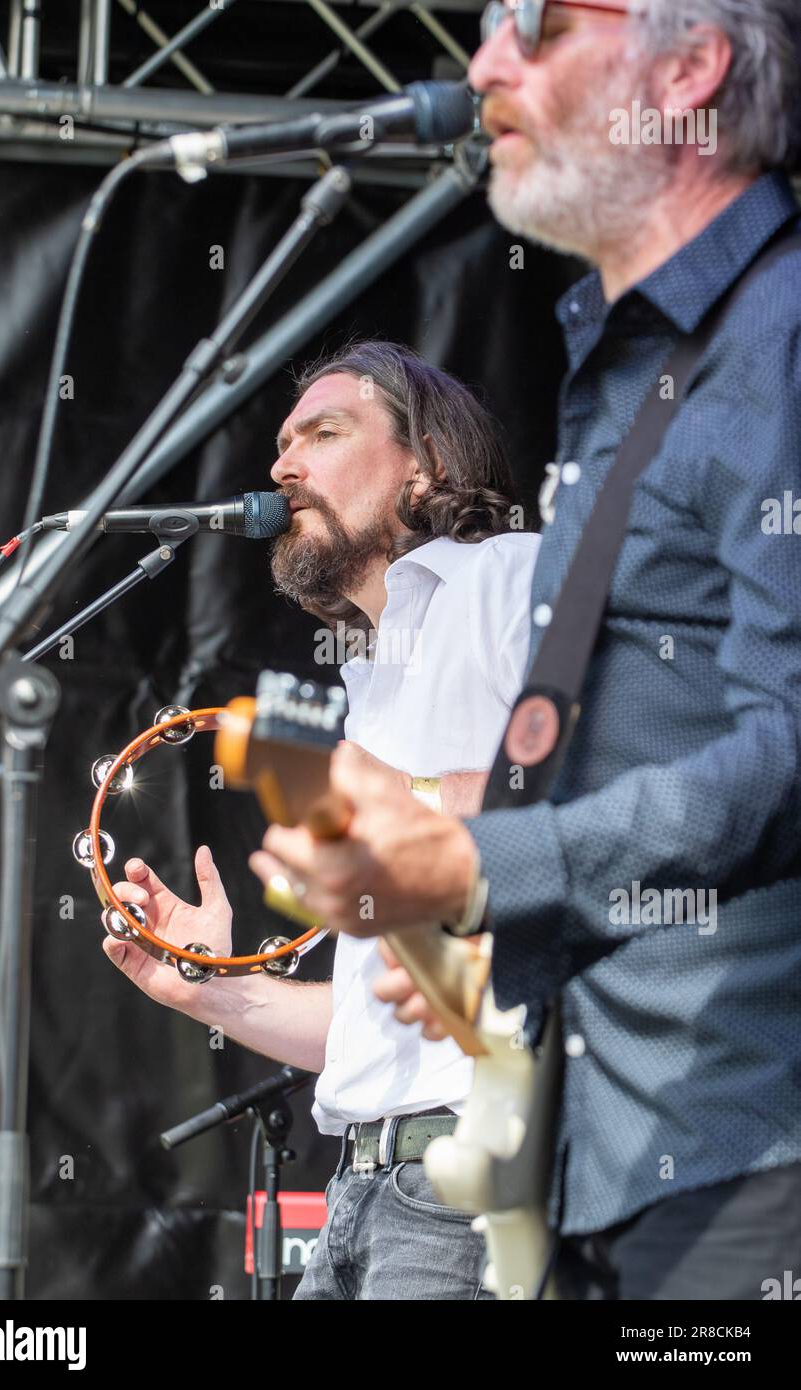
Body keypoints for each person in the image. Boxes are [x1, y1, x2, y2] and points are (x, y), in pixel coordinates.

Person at [251, 2, 801, 1299]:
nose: (484, 63)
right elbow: (656, 744)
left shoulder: (777, 333)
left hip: (748, 1138)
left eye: (539, 26)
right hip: (603, 1143)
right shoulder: (625, 368)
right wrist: (509, 926)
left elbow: (785, 744)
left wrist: (482, 855)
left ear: (688, 69)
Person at [103, 340, 541, 1299]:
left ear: (424, 465)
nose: (282, 466)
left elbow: (609, 798)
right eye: (280, 443)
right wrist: (208, 988)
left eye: (323, 433)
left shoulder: (516, 577)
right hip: (361, 1194)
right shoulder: (371, 677)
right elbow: (371, 1031)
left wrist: (406, 799)